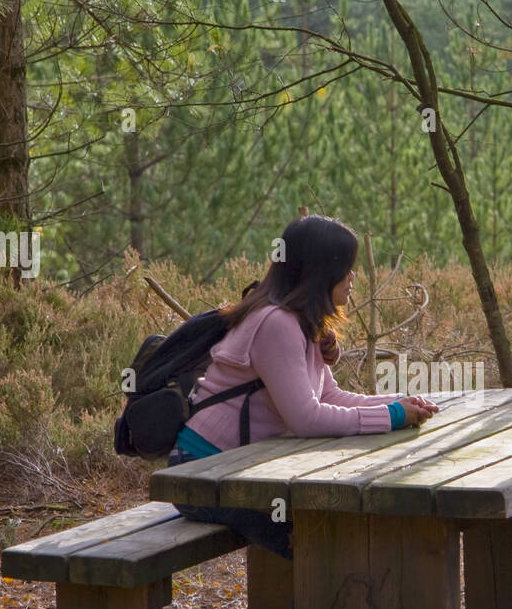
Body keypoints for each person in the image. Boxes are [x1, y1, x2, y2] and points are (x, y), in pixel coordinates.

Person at [167, 215, 439, 560]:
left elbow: (328, 397)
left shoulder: (297, 319)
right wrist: (393, 416)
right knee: (318, 537)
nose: (353, 276)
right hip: (200, 473)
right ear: (321, 270)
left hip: (231, 469)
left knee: (331, 528)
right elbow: (306, 419)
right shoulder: (276, 324)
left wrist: (399, 403)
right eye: (346, 266)